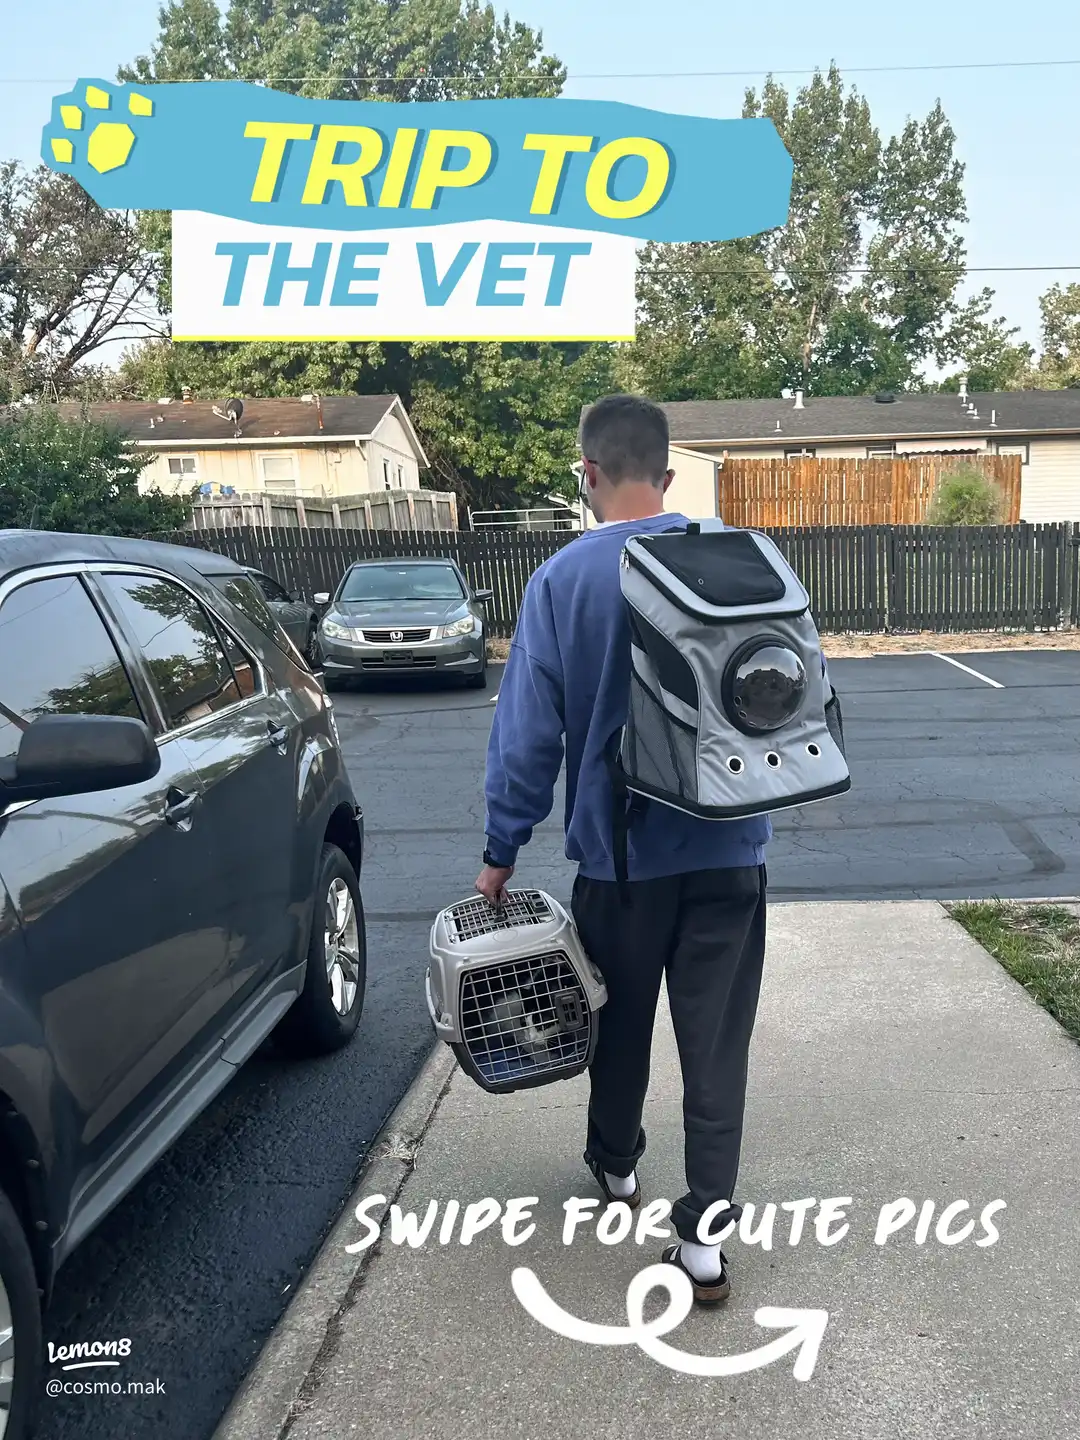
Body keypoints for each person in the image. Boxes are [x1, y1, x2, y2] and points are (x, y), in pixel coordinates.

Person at [475, 392, 785, 1306]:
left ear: (589, 475)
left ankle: (616, 1167)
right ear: (671, 475)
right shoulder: (739, 557)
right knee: (717, 1044)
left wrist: (502, 850)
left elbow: (528, 735)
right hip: (732, 846)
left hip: (619, 861)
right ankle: (704, 1244)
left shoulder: (564, 580)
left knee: (617, 1022)